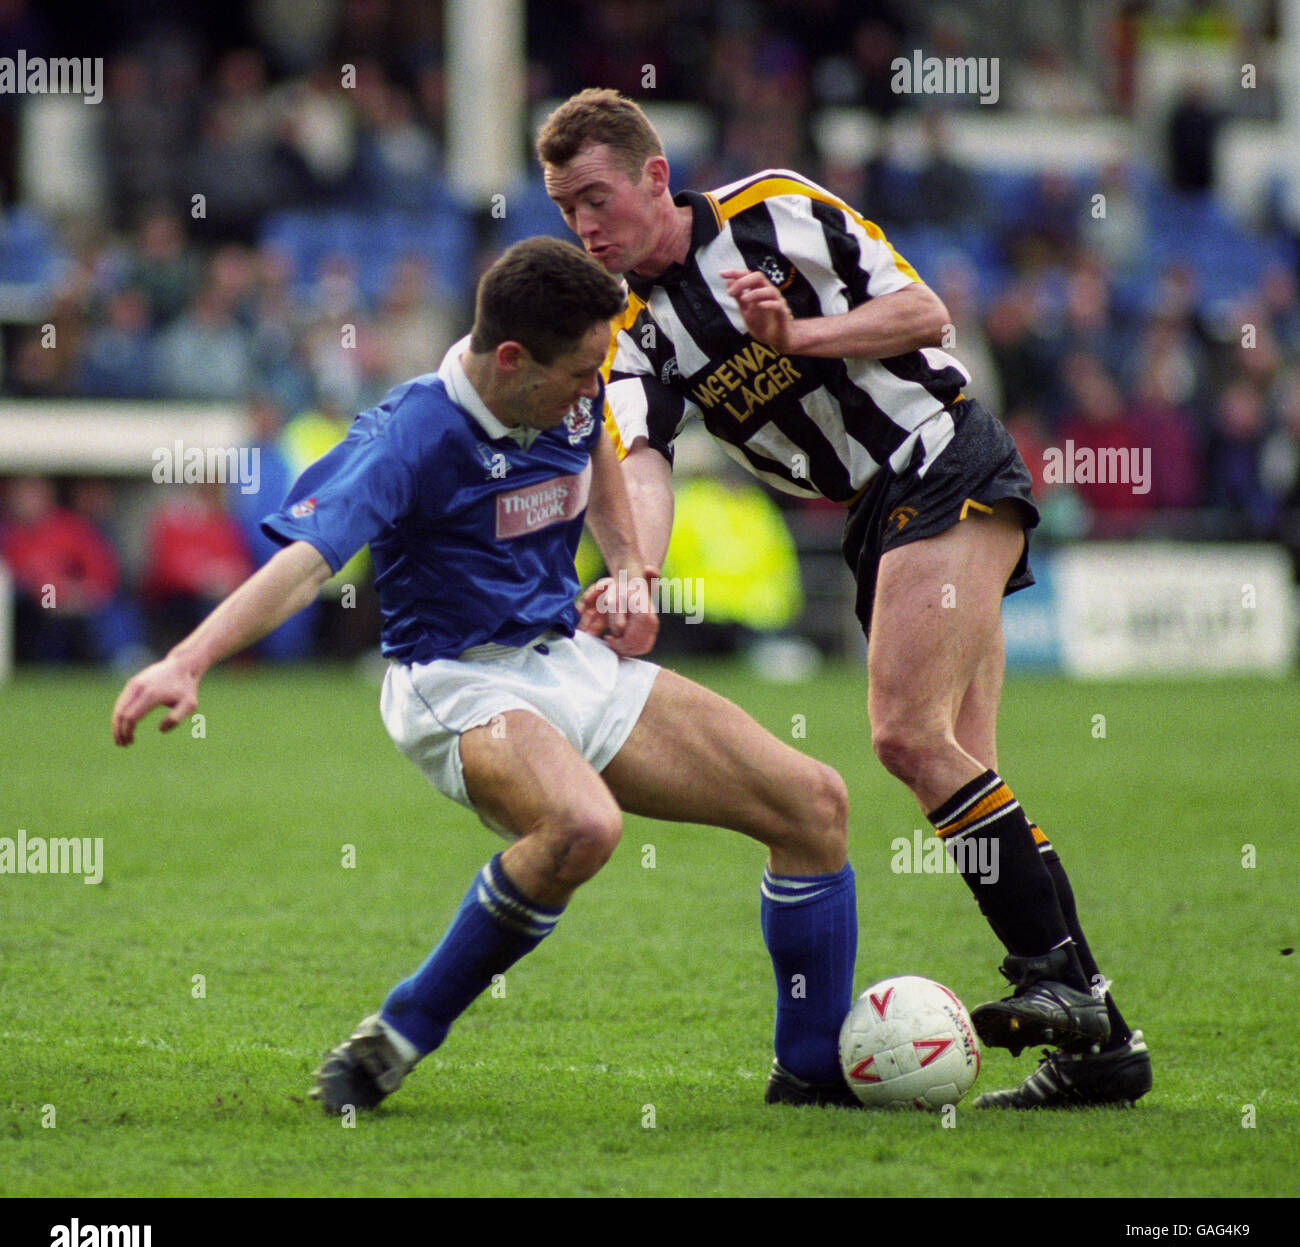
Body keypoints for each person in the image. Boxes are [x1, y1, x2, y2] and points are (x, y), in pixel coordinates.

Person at [110, 236, 856, 1113]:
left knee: (815, 805)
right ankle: (401, 1031)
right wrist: (187, 660)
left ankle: (811, 1077)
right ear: (511, 360)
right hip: (457, 682)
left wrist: (626, 570)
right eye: (582, 373)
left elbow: (601, 455)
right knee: (584, 826)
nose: (594, 389)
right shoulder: (410, 435)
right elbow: (309, 562)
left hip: (569, 661)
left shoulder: (569, 388)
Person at [537, 89, 1151, 1110]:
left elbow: (924, 312)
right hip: (876, 514)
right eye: (564, 210)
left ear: (654, 177)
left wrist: (802, 338)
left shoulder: (776, 211)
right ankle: (1103, 1044)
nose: (582, 227)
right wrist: (635, 567)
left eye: (594, 198)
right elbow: (638, 454)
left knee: (906, 735)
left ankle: (1064, 986)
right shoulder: (628, 328)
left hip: (940, 454)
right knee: (961, 767)